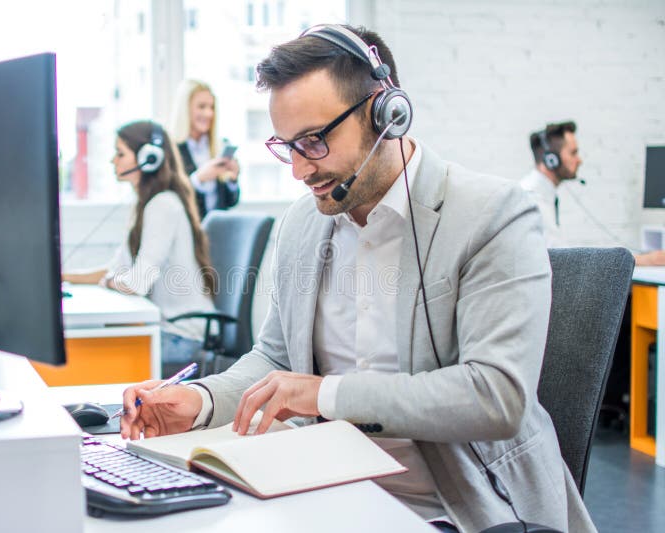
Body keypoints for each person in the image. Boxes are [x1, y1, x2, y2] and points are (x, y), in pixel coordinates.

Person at [119, 25, 595, 532]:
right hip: (327, 491)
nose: (299, 171)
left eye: (315, 141)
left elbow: (495, 395)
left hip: (462, 508)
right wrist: (202, 400)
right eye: (287, 146)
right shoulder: (304, 222)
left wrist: (324, 394)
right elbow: (276, 359)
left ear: (386, 113)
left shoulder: (492, 215)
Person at [62, 120, 215, 377]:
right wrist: (66, 277)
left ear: (149, 158)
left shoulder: (163, 205)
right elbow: (116, 270)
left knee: (90, 355)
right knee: (85, 347)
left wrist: (111, 281)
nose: (114, 161)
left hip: (182, 337)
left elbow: (136, 282)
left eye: (120, 153)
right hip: (166, 329)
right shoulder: (145, 205)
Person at [521, 121, 665, 265]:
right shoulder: (533, 200)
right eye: (573, 153)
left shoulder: (541, 195)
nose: (579, 160)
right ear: (551, 160)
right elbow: (565, 264)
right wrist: (645, 260)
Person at [171, 79, 240, 219]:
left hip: (218, 232)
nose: (209, 114)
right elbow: (171, 200)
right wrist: (198, 179)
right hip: (189, 233)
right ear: (185, 109)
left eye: (212, 107)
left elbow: (231, 201)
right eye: (202, 107)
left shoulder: (220, 145)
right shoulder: (172, 150)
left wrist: (232, 179)